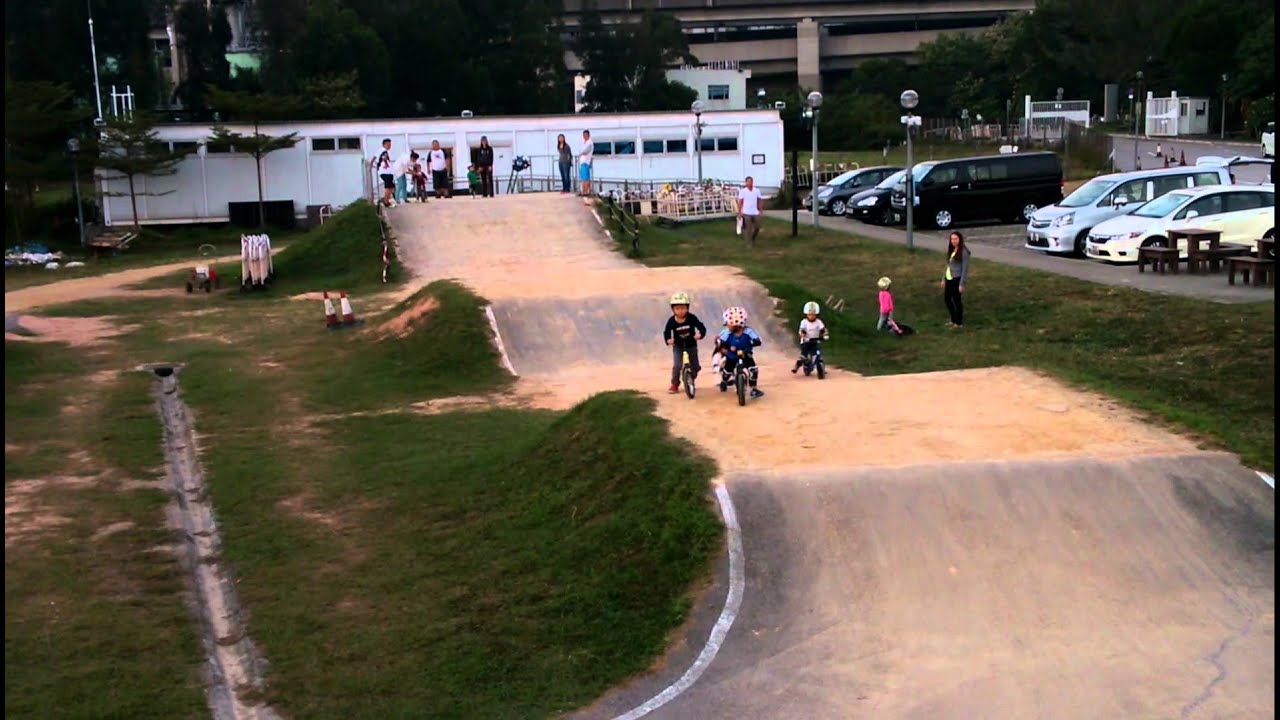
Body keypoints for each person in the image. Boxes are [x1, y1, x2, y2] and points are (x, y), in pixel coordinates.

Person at [663, 291, 706, 394]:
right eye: (677, 308)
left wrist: (700, 334)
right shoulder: (672, 321)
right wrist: (668, 340)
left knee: (695, 366)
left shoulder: (692, 318)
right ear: (673, 309)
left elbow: (701, 326)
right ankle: (675, 384)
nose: (680, 311)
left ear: (687, 308)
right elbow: (667, 332)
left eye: (683, 308)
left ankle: (691, 377)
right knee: (677, 366)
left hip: (691, 344)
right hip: (678, 346)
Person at [717, 306, 764, 399]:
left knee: (753, 370)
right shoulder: (726, 333)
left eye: (728, 324)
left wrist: (754, 342)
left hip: (746, 354)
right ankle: (724, 381)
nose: (727, 325)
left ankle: (753, 388)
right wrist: (725, 348)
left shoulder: (748, 331)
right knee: (727, 371)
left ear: (735, 324)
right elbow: (719, 342)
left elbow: (757, 340)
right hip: (732, 355)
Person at [941, 231, 970, 327]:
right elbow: (947, 265)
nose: (953, 241)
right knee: (947, 299)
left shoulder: (964, 252)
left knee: (956, 300)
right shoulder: (951, 250)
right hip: (949, 278)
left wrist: (962, 284)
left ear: (960, 239)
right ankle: (953, 319)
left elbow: (965, 269)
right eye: (952, 239)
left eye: (955, 239)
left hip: (957, 279)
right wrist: (943, 279)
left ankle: (958, 322)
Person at [792, 301, 828, 374]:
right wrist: (803, 335)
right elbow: (802, 330)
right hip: (806, 341)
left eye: (814, 315)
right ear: (806, 314)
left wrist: (824, 334)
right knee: (803, 356)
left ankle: (822, 367)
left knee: (817, 353)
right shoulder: (804, 322)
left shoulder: (818, 322)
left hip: (815, 340)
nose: (812, 316)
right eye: (810, 315)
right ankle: (796, 366)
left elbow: (823, 329)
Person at [736, 176, 764, 246]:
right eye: (748, 181)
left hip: (755, 212)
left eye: (751, 181)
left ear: (752, 182)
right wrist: (739, 212)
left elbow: (760, 200)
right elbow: (740, 202)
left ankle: (753, 238)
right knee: (748, 228)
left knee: (757, 227)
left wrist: (760, 210)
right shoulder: (743, 191)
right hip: (746, 212)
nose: (749, 183)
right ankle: (749, 243)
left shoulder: (757, 190)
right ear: (746, 183)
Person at [370, 138, 396, 207]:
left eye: (390, 144)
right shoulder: (382, 151)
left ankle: (386, 199)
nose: (389, 146)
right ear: (384, 144)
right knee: (388, 186)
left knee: (391, 186)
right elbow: (374, 157)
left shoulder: (385, 151)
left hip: (388, 172)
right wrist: (371, 164)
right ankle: (386, 201)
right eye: (388, 144)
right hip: (385, 172)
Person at [578, 129, 594, 197]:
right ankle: (583, 191)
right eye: (584, 135)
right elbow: (580, 151)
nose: (585, 136)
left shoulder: (590, 142)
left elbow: (585, 151)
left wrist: (581, 152)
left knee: (586, 178)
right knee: (583, 178)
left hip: (586, 162)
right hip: (582, 162)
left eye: (586, 135)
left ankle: (586, 191)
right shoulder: (583, 142)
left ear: (589, 135)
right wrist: (581, 152)